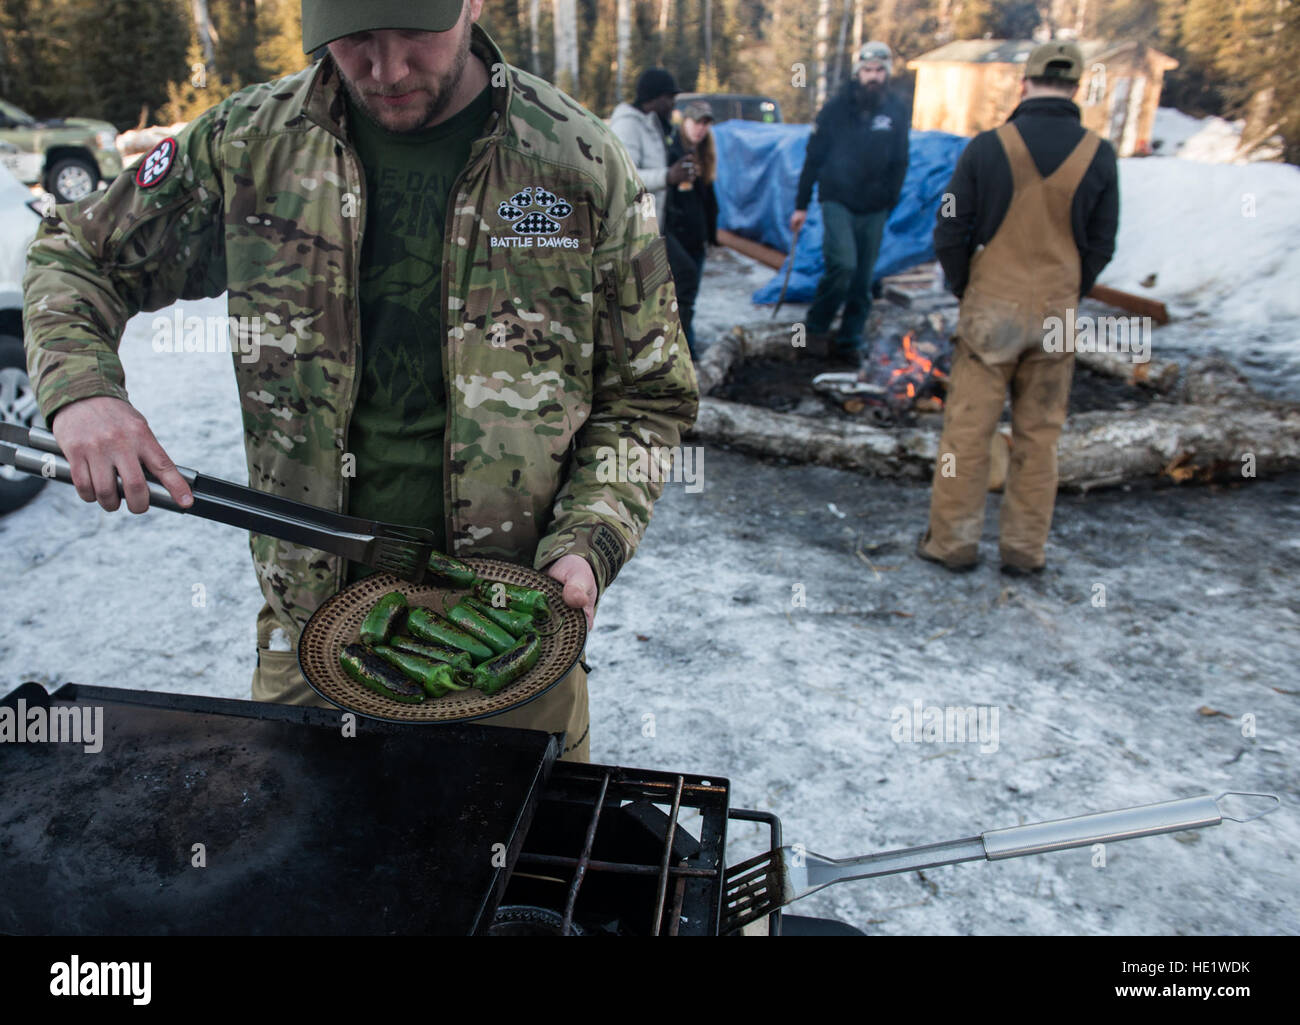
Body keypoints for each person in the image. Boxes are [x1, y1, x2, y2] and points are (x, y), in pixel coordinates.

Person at [21, 0, 699, 762]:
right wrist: (83, 388)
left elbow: (649, 397)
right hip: (312, 643)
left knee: (525, 872)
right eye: (354, 39)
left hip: (514, 642)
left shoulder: (576, 161)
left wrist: (590, 538)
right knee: (302, 870)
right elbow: (79, 252)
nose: (386, 68)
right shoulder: (252, 144)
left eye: (415, 31)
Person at [917, 41, 1119, 575]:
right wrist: (1069, 291)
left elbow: (949, 227)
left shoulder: (985, 148)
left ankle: (953, 543)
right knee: (1040, 435)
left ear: (1024, 83)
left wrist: (967, 287)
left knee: (967, 431)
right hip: (1056, 310)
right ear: (1075, 89)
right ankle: (1025, 551)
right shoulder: (1098, 154)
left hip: (992, 309)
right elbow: (1102, 243)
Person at [789, 41, 909, 364]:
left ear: (887, 73)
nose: (873, 76)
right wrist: (801, 205)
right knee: (843, 265)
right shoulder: (835, 109)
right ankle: (815, 329)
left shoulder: (896, 111)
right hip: (837, 198)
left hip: (875, 205)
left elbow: (901, 160)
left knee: (863, 278)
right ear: (858, 73)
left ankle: (849, 341)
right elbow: (812, 158)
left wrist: (891, 199)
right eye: (867, 70)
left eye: (879, 70)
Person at [609, 69, 702, 358]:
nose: (673, 103)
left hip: (655, 225)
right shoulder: (628, 126)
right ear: (654, 97)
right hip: (633, 230)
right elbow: (624, 176)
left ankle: (668, 347)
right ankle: (671, 350)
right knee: (677, 279)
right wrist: (668, 175)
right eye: (669, 97)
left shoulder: (655, 124)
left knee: (661, 287)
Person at [663, 101, 719, 357]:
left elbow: (708, 198)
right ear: (684, 122)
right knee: (681, 292)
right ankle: (682, 350)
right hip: (675, 234)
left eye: (705, 123)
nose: (700, 128)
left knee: (689, 297)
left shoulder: (704, 154)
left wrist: (712, 233)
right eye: (696, 122)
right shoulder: (671, 151)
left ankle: (686, 346)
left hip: (697, 238)